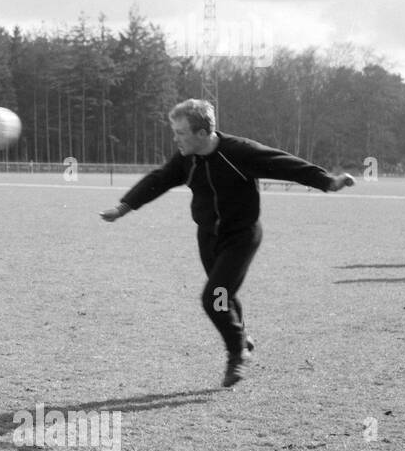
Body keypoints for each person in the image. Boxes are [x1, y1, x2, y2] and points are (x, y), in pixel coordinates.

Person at [99, 99, 354, 387]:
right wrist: (123, 208)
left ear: (202, 132)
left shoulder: (239, 152)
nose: (175, 138)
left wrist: (327, 181)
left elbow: (284, 165)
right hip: (209, 237)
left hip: (241, 237)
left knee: (214, 297)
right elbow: (158, 180)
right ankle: (241, 336)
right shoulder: (186, 159)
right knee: (224, 296)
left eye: (181, 132)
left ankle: (237, 353)